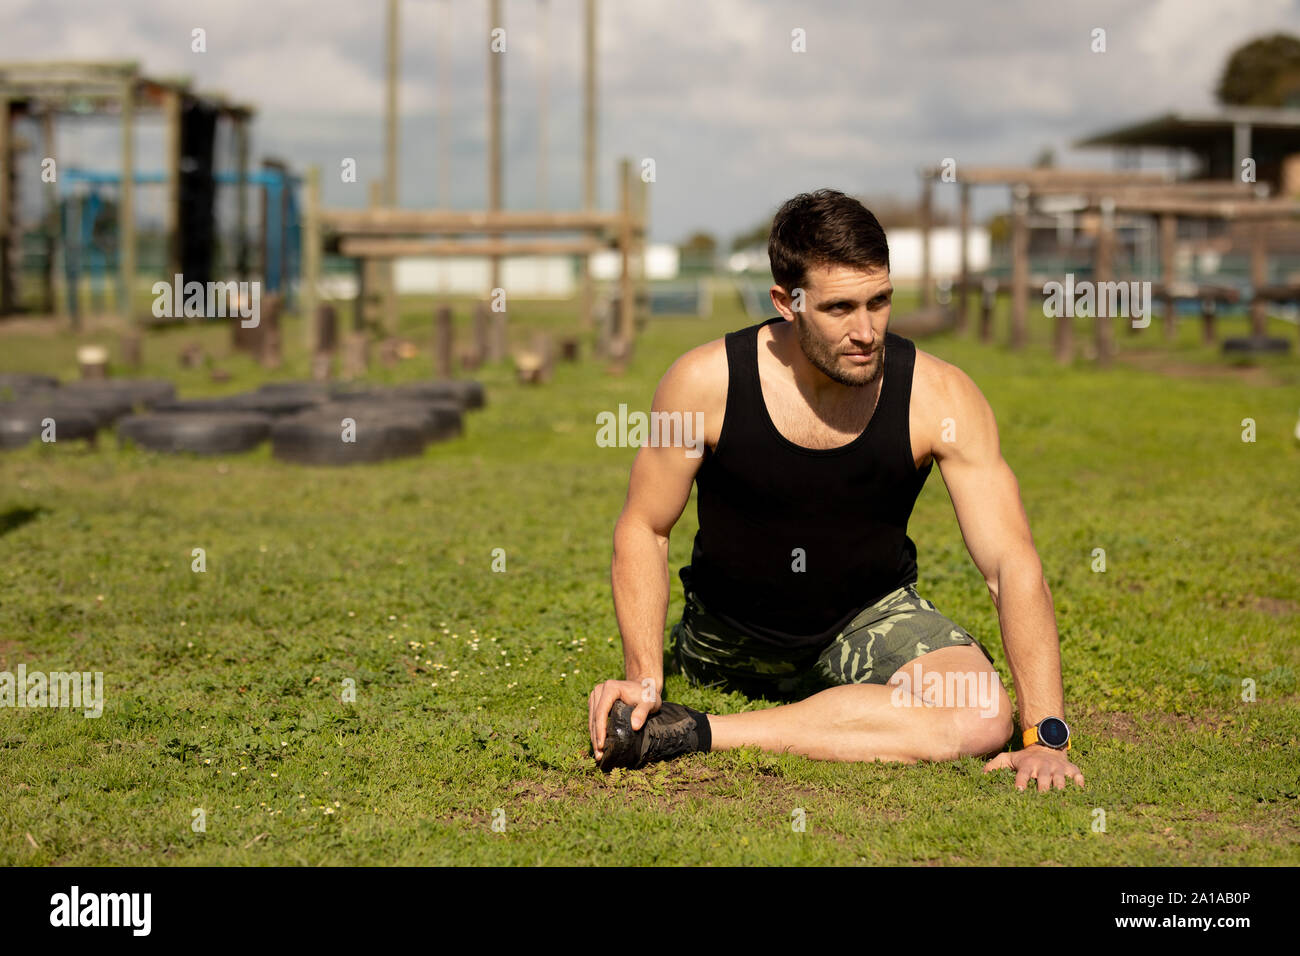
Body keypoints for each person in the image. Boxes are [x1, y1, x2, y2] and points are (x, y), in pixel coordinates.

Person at [587, 189, 1083, 792]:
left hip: (866, 618)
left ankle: (699, 731)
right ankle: (766, 714)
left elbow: (1010, 562)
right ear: (785, 302)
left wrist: (1045, 735)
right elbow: (646, 527)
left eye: (879, 302)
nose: (866, 331)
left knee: (982, 714)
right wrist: (644, 678)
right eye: (840, 308)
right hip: (727, 636)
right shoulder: (703, 383)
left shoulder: (940, 397)